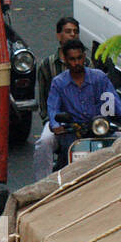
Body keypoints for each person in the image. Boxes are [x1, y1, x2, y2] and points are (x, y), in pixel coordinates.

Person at [47, 39, 121, 166]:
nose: (76, 62)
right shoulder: (59, 82)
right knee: (66, 157)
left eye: (79, 58)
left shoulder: (99, 77)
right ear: (65, 61)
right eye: (72, 59)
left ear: (84, 57)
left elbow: (115, 101)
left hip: (100, 128)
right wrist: (56, 125)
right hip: (72, 130)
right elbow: (53, 108)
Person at [33, 16, 80, 180]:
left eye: (75, 32)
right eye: (68, 32)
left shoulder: (86, 63)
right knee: (44, 143)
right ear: (59, 35)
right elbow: (43, 101)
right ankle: (42, 185)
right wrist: (51, 122)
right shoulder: (47, 65)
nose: (72, 35)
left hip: (83, 120)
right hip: (57, 121)